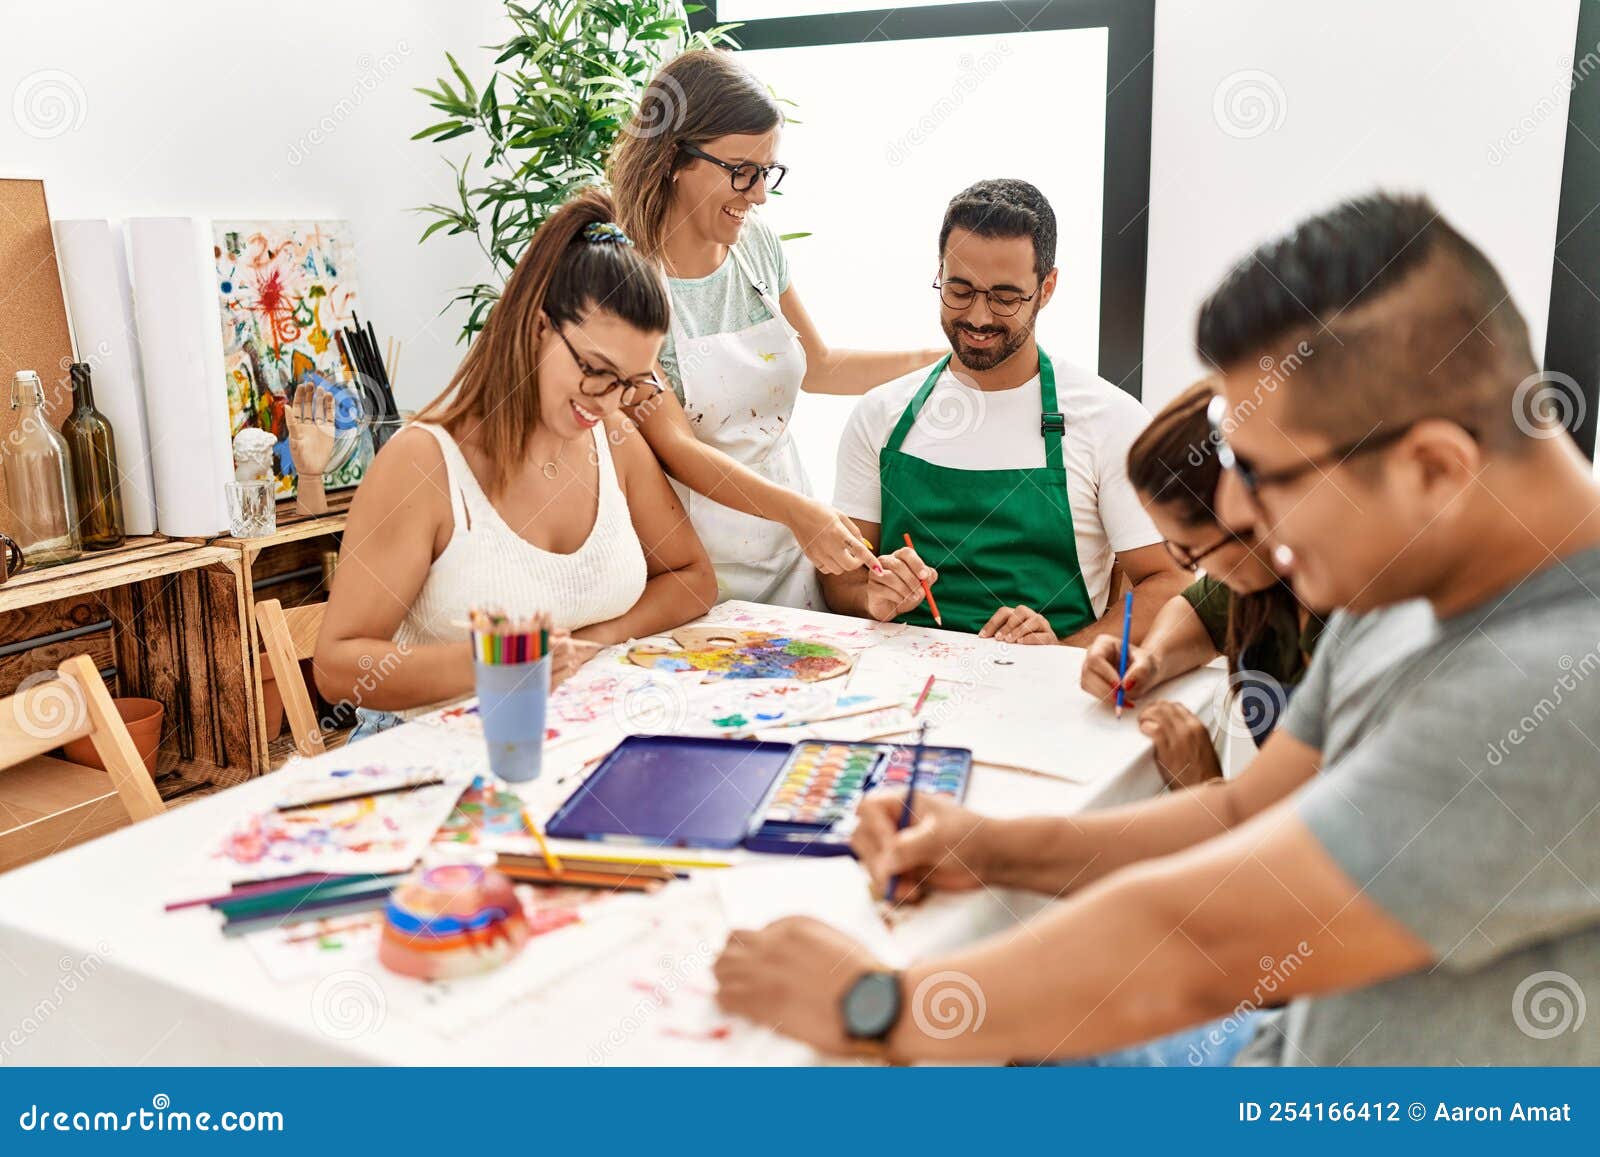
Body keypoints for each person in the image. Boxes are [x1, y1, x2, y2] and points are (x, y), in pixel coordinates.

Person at [713, 191, 1600, 1065]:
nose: (1234, 508)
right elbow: (1242, 811)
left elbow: (1204, 942)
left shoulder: (1554, 685)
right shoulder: (1400, 593)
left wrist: (874, 1005)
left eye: (1264, 472)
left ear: (1434, 468)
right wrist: (991, 846)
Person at [316, 190, 716, 737]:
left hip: (572, 740)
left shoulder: (614, 438)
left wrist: (597, 641)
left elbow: (692, 578)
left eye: (629, 383)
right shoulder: (425, 463)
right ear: (537, 327)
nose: (606, 401)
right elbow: (338, 668)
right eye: (596, 370)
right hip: (434, 757)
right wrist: (491, 666)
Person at [609, 49, 944, 610]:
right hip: (694, 571)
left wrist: (941, 360)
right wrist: (796, 510)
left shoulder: (756, 246)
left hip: (790, 552)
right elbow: (673, 445)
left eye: (766, 172)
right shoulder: (625, 281)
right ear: (673, 157)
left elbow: (819, 366)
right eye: (742, 171)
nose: (759, 194)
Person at [821, 179, 1186, 644]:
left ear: (1047, 288)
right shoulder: (881, 413)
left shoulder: (1111, 421)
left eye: (1005, 297)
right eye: (959, 290)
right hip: (898, 695)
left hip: (1045, 697)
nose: (977, 316)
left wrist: (1065, 651)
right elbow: (840, 578)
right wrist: (870, 594)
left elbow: (1169, 584)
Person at [1079, 380, 1324, 789]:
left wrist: (1203, 783)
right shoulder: (1259, 585)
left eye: (1192, 550)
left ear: (1249, 513)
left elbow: (1313, 830)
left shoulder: (1347, 609)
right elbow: (1194, 610)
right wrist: (1151, 660)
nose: (1185, 565)